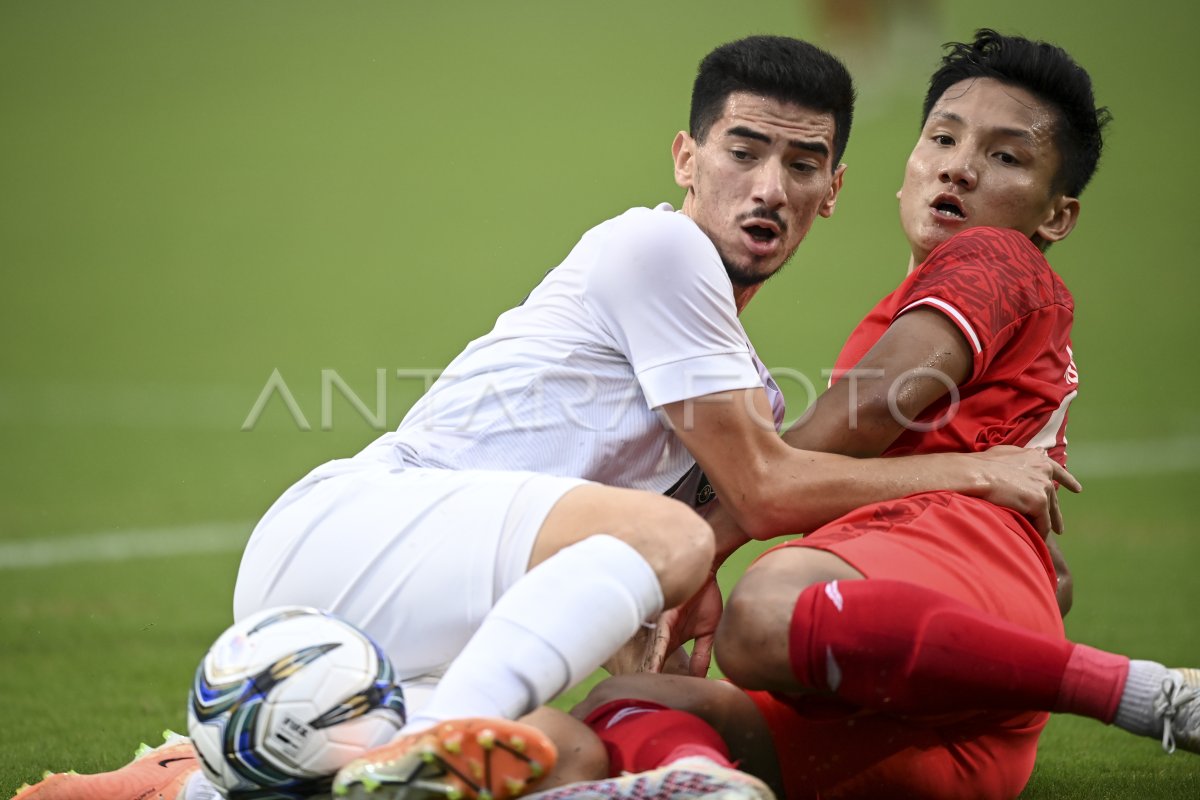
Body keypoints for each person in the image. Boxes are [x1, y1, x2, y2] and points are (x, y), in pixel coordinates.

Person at [13, 35, 1078, 800]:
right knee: (662, 538)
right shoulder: (656, 247)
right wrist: (972, 471)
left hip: (413, 618)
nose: (769, 186)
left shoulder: (742, 388)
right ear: (685, 158)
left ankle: (190, 783)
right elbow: (764, 491)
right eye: (743, 150)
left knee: (566, 748)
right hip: (350, 531)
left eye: (801, 165)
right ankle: (441, 731)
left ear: (833, 189)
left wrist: (675, 610)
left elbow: (730, 501)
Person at [546, 29, 1200, 800]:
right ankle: (705, 783)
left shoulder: (994, 257)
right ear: (906, 168)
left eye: (1005, 157)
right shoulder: (917, 308)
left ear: (1056, 217)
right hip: (938, 710)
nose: (958, 166)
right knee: (625, 704)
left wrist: (697, 548)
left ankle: (1143, 692)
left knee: (765, 615)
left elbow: (862, 414)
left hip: (939, 557)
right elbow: (1042, 576)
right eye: (943, 138)